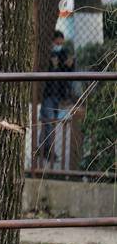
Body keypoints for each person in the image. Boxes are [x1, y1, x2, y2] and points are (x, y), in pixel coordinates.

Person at [40, 30, 75, 164]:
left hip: (59, 93)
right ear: (53, 41)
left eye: (61, 43)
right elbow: (49, 74)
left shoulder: (63, 53)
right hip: (49, 93)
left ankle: (43, 147)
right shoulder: (47, 54)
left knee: (50, 122)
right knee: (48, 121)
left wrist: (70, 66)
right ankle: (47, 150)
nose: (59, 45)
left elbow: (66, 73)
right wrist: (53, 67)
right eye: (57, 43)